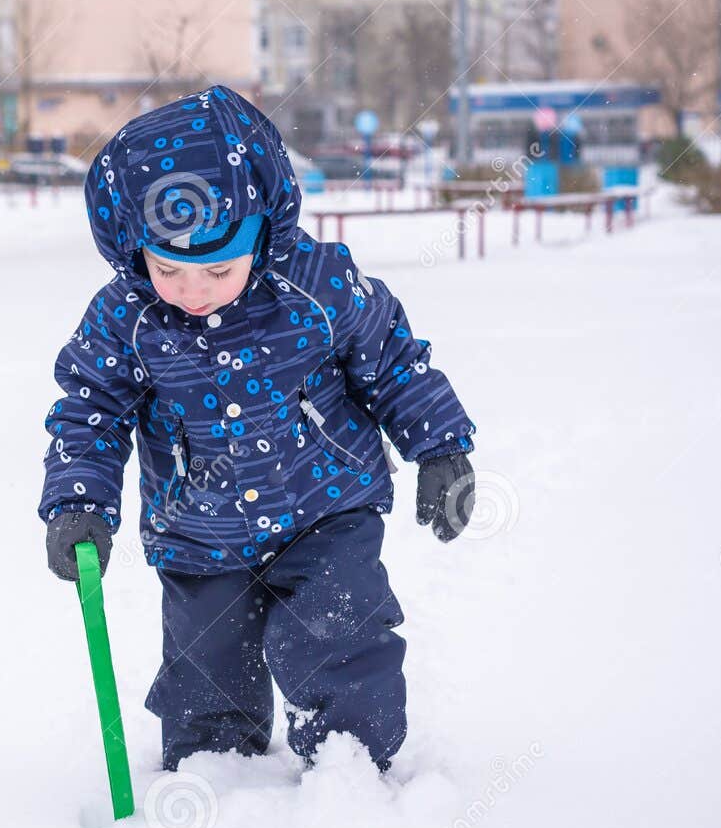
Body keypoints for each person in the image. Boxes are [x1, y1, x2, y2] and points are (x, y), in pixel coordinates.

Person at [37, 86, 477, 773]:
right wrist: (78, 503)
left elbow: (392, 360)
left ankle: (351, 765)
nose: (193, 289)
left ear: (260, 232)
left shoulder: (318, 287)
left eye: (218, 268)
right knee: (205, 669)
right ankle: (216, 777)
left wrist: (440, 446)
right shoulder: (128, 317)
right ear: (134, 247)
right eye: (168, 269)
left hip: (327, 508)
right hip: (198, 528)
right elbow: (90, 408)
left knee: (339, 630)